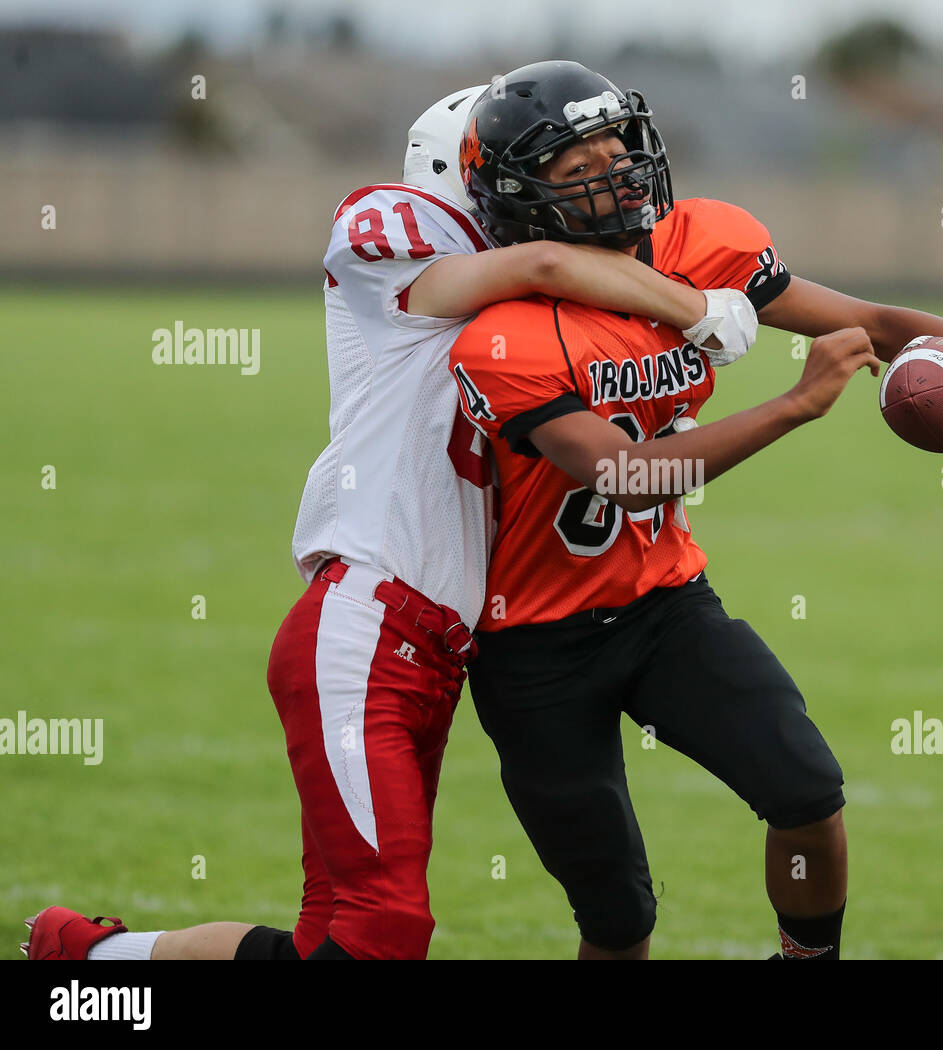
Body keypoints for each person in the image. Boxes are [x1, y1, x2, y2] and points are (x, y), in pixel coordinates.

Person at [20, 86, 758, 962]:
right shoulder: (398, 234)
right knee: (384, 933)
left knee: (327, 940)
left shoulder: (517, 316)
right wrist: (696, 308)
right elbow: (547, 267)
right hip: (364, 624)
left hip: (434, 649)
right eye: (528, 177)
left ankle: (86, 957)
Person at [446, 60, 943, 960]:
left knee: (806, 790)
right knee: (617, 919)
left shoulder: (702, 243)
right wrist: (794, 405)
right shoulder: (505, 333)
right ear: (519, 197)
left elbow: (875, 322)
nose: (616, 172)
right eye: (578, 167)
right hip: (533, 643)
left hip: (661, 600)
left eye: (618, 147)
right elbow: (626, 477)